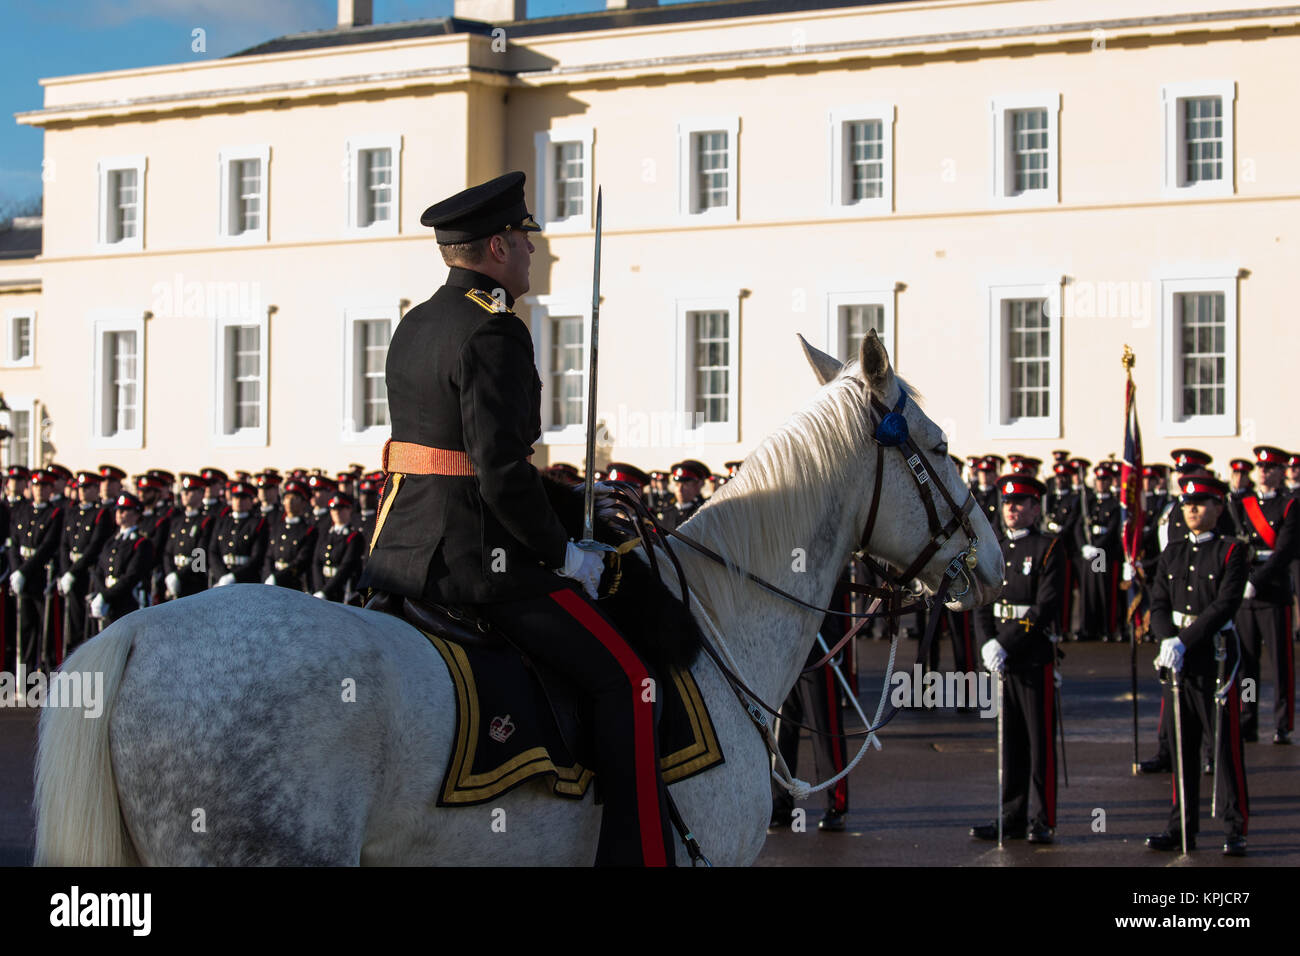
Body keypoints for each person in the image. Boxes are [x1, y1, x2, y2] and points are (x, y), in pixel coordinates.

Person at [359, 171, 674, 867]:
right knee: (630, 680)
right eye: (526, 239)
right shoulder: (493, 330)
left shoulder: (416, 323)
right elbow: (498, 474)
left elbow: (449, 456)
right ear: (498, 246)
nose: (535, 250)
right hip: (474, 561)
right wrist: (566, 554)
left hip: (402, 550)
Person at [1145, 474, 1249, 856]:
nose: (1191, 508)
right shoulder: (1172, 551)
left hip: (1215, 659)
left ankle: (1235, 827)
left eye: (1201, 503)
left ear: (1219, 508)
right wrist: (1165, 638)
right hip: (1178, 661)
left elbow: (1224, 606)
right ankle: (1181, 827)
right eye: (1187, 503)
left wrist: (1182, 641)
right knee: (1181, 748)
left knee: (1224, 749)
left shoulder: (1231, 551)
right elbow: (1158, 601)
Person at [971, 472, 1062, 844]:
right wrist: (986, 642)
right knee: (1009, 744)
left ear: (1035, 508)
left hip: (1032, 656)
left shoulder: (1049, 547)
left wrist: (1004, 643)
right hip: (1001, 660)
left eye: (1020, 503)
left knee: (1039, 744)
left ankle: (1043, 818)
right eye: (1008, 503)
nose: (1012, 509)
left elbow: (1046, 606)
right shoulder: (993, 548)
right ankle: (1011, 815)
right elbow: (981, 598)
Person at [1234, 446, 1298, 744]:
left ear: (1280, 472)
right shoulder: (1242, 503)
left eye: (1270, 468)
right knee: (1247, 664)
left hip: (1273, 592)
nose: (1263, 472)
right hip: (1247, 595)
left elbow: (1284, 551)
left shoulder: (1289, 506)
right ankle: (1248, 718)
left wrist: (1257, 579)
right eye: (1261, 468)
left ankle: (1283, 723)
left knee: (1281, 663)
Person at [57, 471, 113, 655]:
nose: (82, 491)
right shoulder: (72, 512)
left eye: (87, 488)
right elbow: (64, 544)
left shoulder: (101, 514)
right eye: (80, 488)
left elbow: (95, 546)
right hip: (72, 574)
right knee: (71, 626)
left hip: (87, 575)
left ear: (96, 489)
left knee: (86, 626)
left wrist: (73, 572)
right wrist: (66, 571)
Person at [90, 492, 153, 629]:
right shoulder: (112, 541)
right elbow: (100, 569)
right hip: (110, 603)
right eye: (118, 510)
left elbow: (131, 576)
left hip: (128, 603)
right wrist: (102, 593)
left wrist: (106, 596)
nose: (119, 513)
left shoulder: (141, 543)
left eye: (124, 510)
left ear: (136, 514)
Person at [163, 474, 215, 600]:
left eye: (190, 491)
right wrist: (170, 575)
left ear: (201, 493)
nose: (185, 494)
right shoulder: (177, 521)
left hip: (193, 583)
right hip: (174, 582)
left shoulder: (206, 521)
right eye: (184, 491)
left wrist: (179, 576)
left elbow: (199, 558)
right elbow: (168, 552)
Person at [264, 478, 318, 593]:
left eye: (294, 498)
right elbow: (269, 555)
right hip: (272, 583)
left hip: (294, 585)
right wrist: (269, 575)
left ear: (304, 502)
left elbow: (301, 561)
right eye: (287, 498)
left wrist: (278, 578)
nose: (289, 502)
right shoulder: (277, 527)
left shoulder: (308, 530)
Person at [313, 493, 363, 604]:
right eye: (333, 509)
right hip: (322, 587)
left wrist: (326, 591)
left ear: (349, 509)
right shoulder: (325, 533)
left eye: (341, 509)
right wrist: (319, 589)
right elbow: (316, 562)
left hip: (342, 591)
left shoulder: (354, 536)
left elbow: (347, 566)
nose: (337, 513)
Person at [656, 460, 709, 531]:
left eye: (685, 485)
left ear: (695, 487)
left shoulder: (700, 513)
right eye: (677, 485)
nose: (680, 490)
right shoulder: (667, 513)